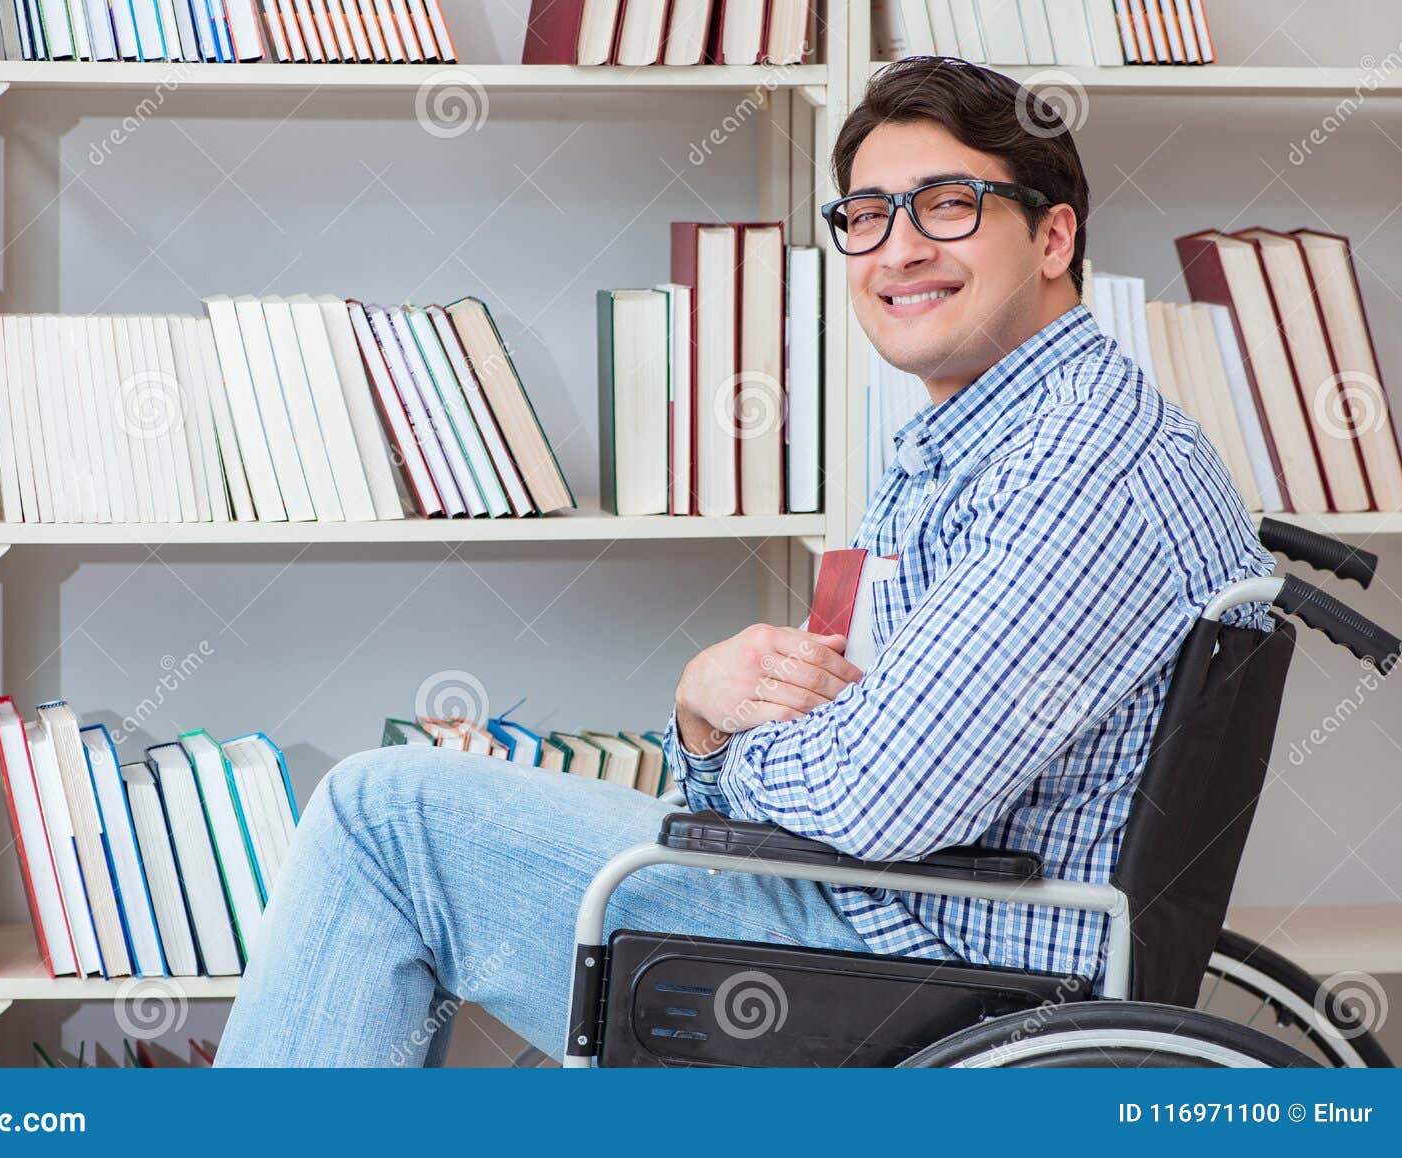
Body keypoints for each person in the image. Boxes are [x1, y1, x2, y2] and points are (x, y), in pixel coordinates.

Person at [215, 56, 1271, 1067]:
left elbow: (876, 800)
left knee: (383, 821)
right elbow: (856, 733)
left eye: (947, 205)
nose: (897, 250)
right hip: (885, 918)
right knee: (400, 827)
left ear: (1051, 239)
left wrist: (721, 738)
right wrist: (724, 722)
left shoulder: (1078, 462)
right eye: (866, 216)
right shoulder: (976, 441)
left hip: (925, 971)